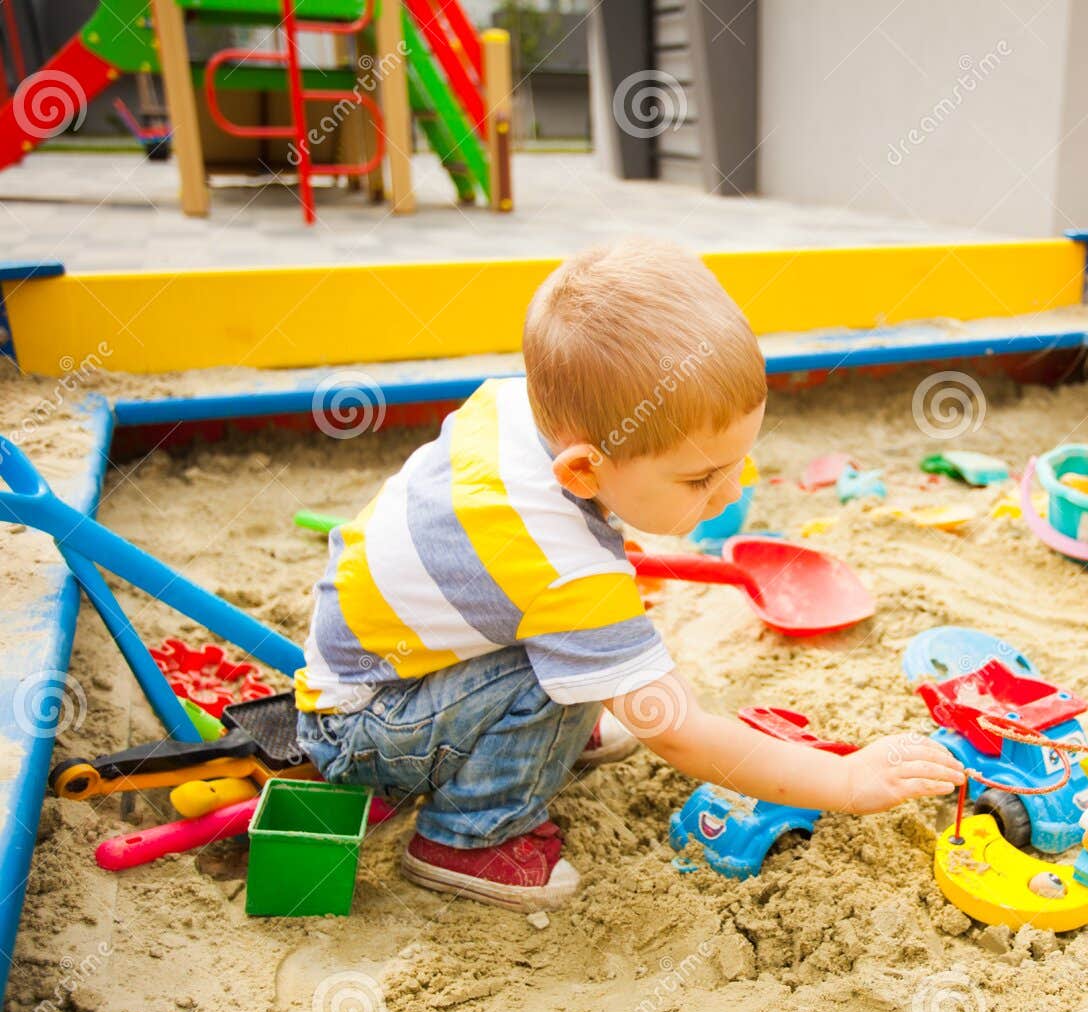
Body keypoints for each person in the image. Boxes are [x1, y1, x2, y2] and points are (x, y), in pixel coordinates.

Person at [294, 238, 965, 911]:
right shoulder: (568, 573)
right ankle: (468, 838)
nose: (730, 494)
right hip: (367, 729)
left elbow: (497, 560)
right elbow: (680, 731)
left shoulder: (514, 403)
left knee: (588, 647)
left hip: (379, 660)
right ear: (583, 471)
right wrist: (846, 779)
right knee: (584, 659)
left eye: (738, 462)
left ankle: (530, 730)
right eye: (701, 477)